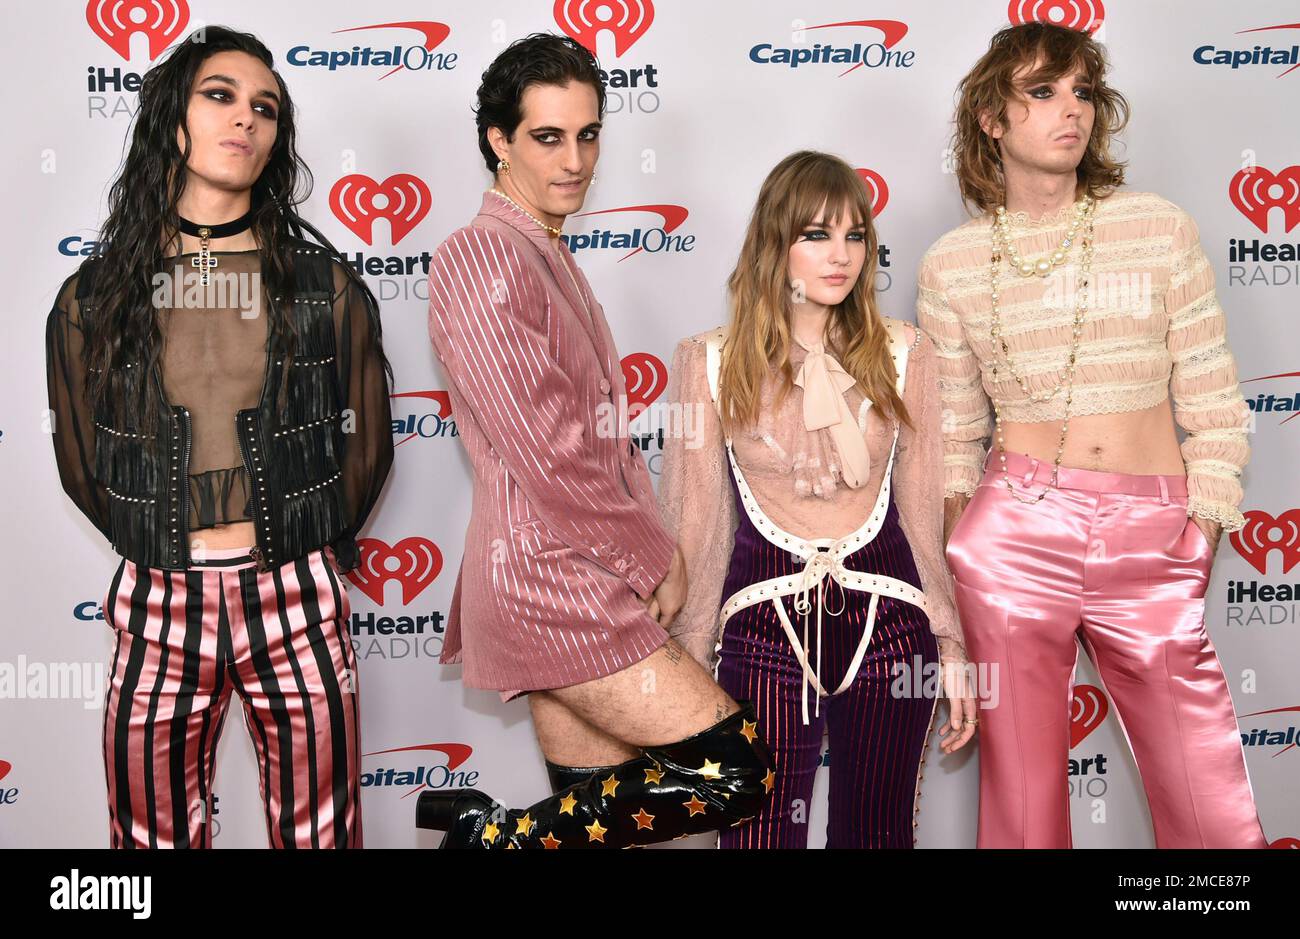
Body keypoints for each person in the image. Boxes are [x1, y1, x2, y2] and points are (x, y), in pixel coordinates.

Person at [918, 21, 1267, 848]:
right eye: (1041, 92)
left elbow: (1214, 398)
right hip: (1014, 534)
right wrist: (956, 561)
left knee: (1203, 785)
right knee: (1025, 800)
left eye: (1081, 92)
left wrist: (1203, 527)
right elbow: (957, 437)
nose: (1069, 110)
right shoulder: (953, 263)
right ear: (992, 120)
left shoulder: (1157, 227)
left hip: (1154, 529)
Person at [420, 33, 773, 849]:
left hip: (580, 569)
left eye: (588, 134)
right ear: (498, 141)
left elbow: (599, 440)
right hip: (551, 580)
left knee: (612, 835)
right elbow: (553, 451)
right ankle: (488, 838)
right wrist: (655, 554)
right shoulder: (481, 254)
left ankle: (492, 835)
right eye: (548, 136)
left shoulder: (548, 253)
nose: (575, 158)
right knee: (735, 769)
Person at [45, 26, 394, 848]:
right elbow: (84, 466)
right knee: (148, 837)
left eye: (265, 108)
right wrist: (159, 540)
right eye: (221, 96)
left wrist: (306, 544)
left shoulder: (326, 285)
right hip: (158, 596)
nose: (246, 119)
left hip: (299, 596)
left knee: (322, 836)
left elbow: (367, 447)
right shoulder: (91, 297)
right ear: (173, 118)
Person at [657, 151, 975, 849]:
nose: (841, 255)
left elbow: (923, 517)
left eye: (854, 235)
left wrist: (950, 644)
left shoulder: (904, 352)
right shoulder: (707, 360)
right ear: (776, 243)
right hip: (762, 630)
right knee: (759, 837)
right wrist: (684, 666)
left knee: (879, 836)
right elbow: (699, 528)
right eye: (816, 234)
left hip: (892, 627)